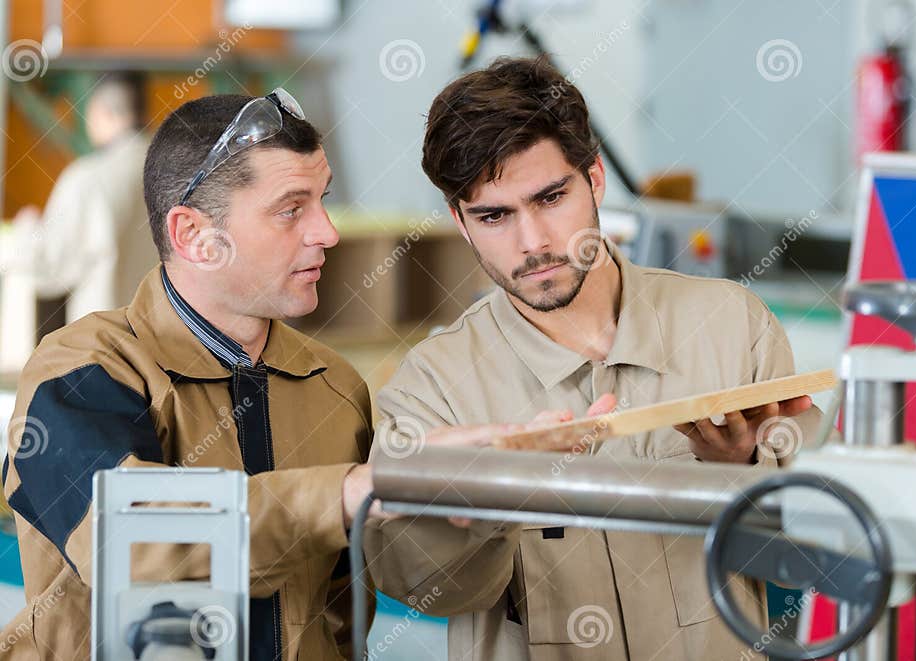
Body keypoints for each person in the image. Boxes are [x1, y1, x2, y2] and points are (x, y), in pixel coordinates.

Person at [1, 88, 575, 661]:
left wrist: (480, 502)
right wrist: (355, 489)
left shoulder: (334, 387)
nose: (326, 232)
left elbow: (343, 620)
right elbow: (128, 540)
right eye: (290, 209)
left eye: (322, 200)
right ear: (194, 236)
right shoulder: (80, 370)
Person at [365, 56, 825, 660]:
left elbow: (811, 563)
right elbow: (422, 589)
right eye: (494, 216)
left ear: (596, 179)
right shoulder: (432, 389)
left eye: (551, 197)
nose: (533, 244)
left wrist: (741, 473)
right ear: (460, 221)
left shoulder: (732, 327)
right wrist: (489, 498)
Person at [2, 72, 158, 324]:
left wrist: (27, 227)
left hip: (105, 341)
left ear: (99, 111)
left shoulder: (88, 177)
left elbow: (50, 267)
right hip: (164, 340)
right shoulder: (173, 172)